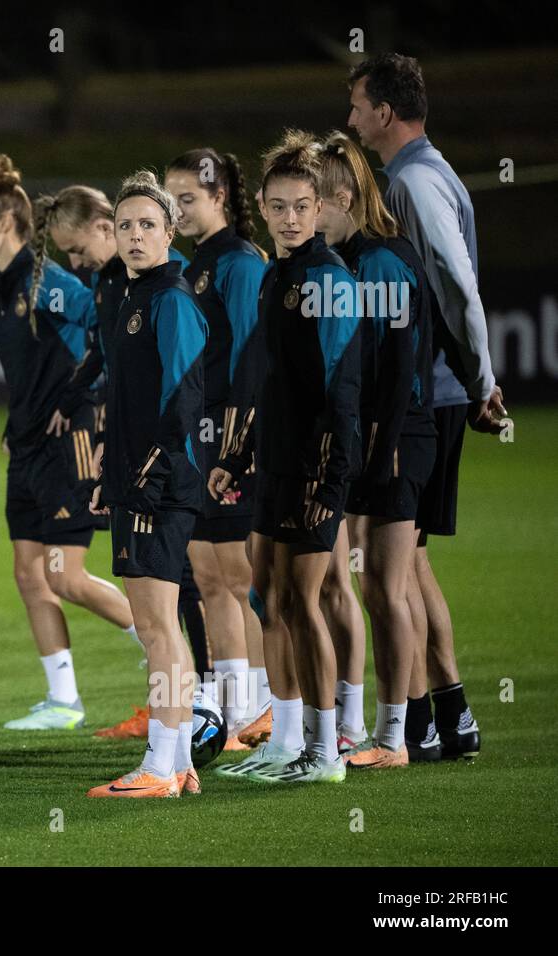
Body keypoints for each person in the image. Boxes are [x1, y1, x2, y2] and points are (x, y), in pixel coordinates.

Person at [348, 52, 501, 760]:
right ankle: (451, 713)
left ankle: (412, 724)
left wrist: (480, 380)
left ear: (383, 111)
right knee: (410, 564)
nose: (350, 118)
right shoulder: (426, 173)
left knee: (392, 567)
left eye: (357, 105)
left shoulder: (411, 182)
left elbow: (455, 284)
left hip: (426, 393)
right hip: (438, 391)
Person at [0, 156, 135, 731]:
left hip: (69, 443)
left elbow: (108, 330)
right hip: (29, 444)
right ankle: (63, 700)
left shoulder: (49, 285)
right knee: (28, 574)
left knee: (65, 575)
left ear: (5, 226)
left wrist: (83, 405)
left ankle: (161, 641)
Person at [209, 131, 361, 785]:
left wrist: (330, 479)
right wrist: (239, 455)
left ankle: (326, 752)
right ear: (265, 209)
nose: (292, 217)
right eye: (280, 206)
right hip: (272, 462)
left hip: (311, 468)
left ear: (321, 208)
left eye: (303, 205)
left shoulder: (328, 280)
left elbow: (340, 392)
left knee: (304, 601)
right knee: (268, 596)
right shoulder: (278, 277)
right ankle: (286, 740)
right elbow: (270, 379)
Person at [316, 129, 436, 769]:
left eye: (315, 202)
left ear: (342, 196)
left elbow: (398, 366)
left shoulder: (383, 262)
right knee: (379, 589)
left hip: (398, 435)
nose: (306, 217)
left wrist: (385, 447)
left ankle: (396, 740)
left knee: (388, 589)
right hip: (373, 439)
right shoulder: (353, 263)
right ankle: (407, 731)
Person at [87, 170, 207, 797]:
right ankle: (178, 760)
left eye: (147, 226)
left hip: (161, 486)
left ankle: (160, 765)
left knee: (158, 625)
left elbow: (185, 399)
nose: (134, 236)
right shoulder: (134, 297)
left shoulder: (172, 300)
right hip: (140, 481)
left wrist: (148, 475)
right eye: (124, 225)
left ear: (170, 233)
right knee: (165, 624)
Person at [164, 149, 271, 742]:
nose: (177, 209)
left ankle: (265, 704)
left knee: (238, 576)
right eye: (170, 197)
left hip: (231, 435)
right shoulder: (196, 261)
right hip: (201, 435)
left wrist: (240, 439)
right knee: (206, 577)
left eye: (187, 198)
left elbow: (251, 359)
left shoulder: (239, 263)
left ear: (220, 197)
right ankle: (234, 716)